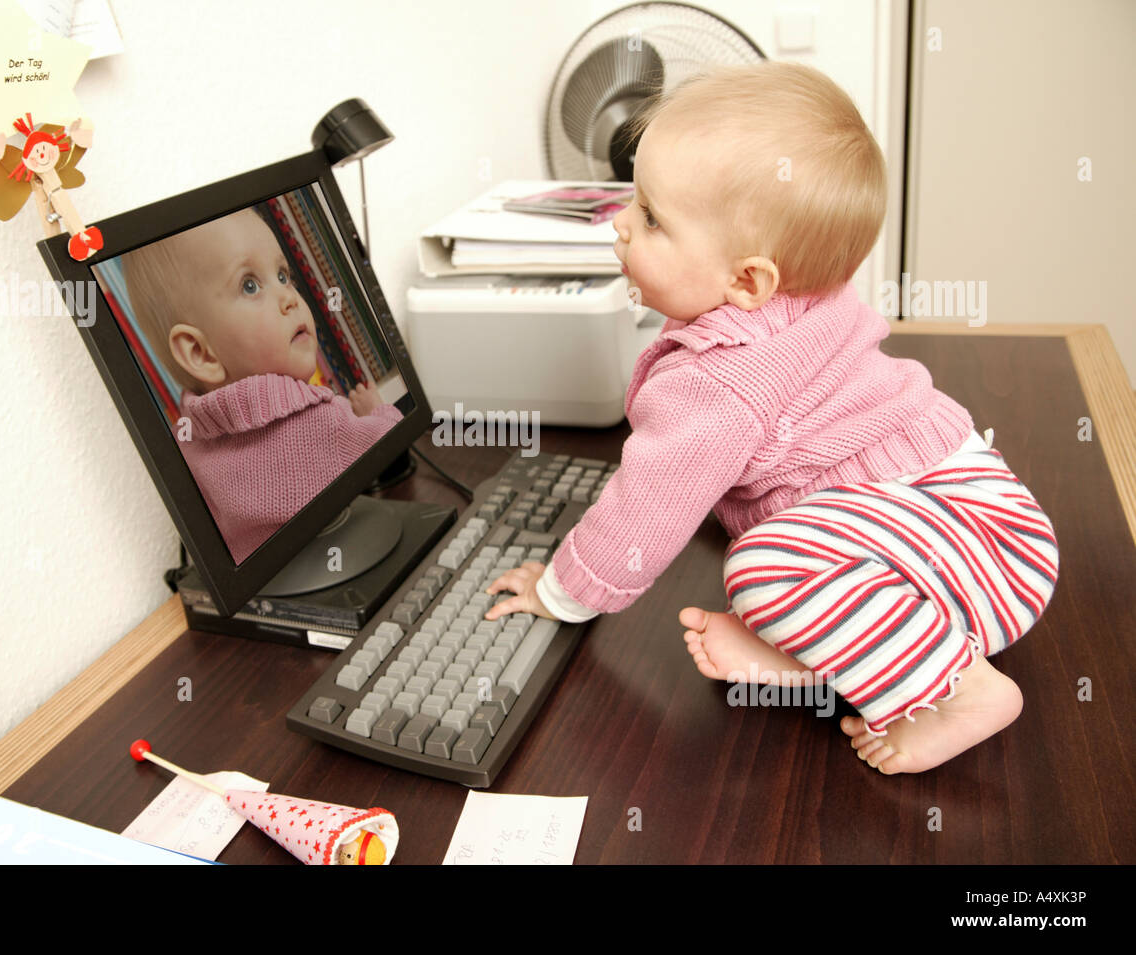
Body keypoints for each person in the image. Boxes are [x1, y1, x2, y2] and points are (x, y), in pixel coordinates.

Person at [486, 62, 1059, 774]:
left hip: (977, 556)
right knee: (777, 557)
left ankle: (960, 692)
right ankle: (817, 661)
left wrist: (558, 591)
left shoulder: (719, 385)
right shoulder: (802, 288)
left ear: (748, 280)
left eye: (653, 218)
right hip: (974, 512)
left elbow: (648, 508)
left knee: (758, 567)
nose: (622, 224)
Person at [122, 208, 399, 563]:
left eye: (284, 276)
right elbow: (384, 444)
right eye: (250, 285)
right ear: (199, 352)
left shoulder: (187, 445)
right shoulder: (319, 420)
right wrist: (377, 411)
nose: (289, 298)